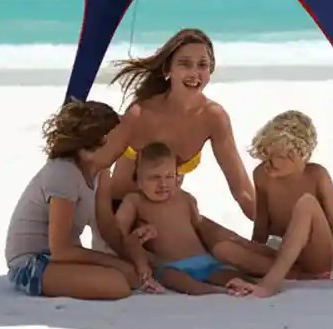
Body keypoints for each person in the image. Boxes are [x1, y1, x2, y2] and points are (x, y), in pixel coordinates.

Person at [92, 28, 256, 256]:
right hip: (123, 212)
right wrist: (101, 226)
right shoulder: (140, 114)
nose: (195, 72)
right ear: (168, 70)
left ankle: (302, 269)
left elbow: (242, 190)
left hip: (170, 210)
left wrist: (267, 223)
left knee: (237, 245)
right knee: (225, 254)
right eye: (185, 64)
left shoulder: (214, 117)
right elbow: (96, 167)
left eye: (202, 65)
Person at [4, 98, 164, 299]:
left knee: (130, 275)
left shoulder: (101, 172)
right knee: (117, 285)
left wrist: (132, 255)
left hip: (61, 260)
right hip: (33, 264)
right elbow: (61, 249)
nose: (124, 146)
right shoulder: (64, 173)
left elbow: (106, 227)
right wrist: (116, 263)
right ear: (93, 146)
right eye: (118, 139)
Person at [217, 110, 333, 298]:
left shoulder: (317, 176)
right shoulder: (261, 175)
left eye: (277, 157)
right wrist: (253, 255)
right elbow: (261, 226)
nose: (268, 162)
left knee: (307, 203)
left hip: (316, 260)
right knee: (224, 249)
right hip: (286, 257)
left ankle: (269, 285)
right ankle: (288, 275)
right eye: (265, 154)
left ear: (300, 155)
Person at [114, 142, 255, 296]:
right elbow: (118, 232)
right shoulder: (134, 201)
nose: (162, 184)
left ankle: (238, 285)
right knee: (172, 278)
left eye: (169, 176)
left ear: (178, 178)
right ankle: (214, 292)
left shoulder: (186, 199)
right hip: (171, 265)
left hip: (204, 261)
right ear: (138, 181)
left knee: (229, 274)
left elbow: (201, 229)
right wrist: (139, 246)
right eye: (154, 178)